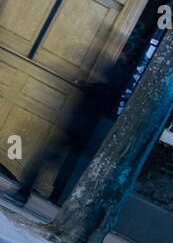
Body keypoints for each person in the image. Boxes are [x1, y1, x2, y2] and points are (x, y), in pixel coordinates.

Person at [8, 61, 128, 206]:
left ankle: (23, 193)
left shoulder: (97, 89)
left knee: (41, 161)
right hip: (86, 139)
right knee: (70, 171)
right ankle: (58, 199)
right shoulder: (112, 96)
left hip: (73, 132)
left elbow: (83, 87)